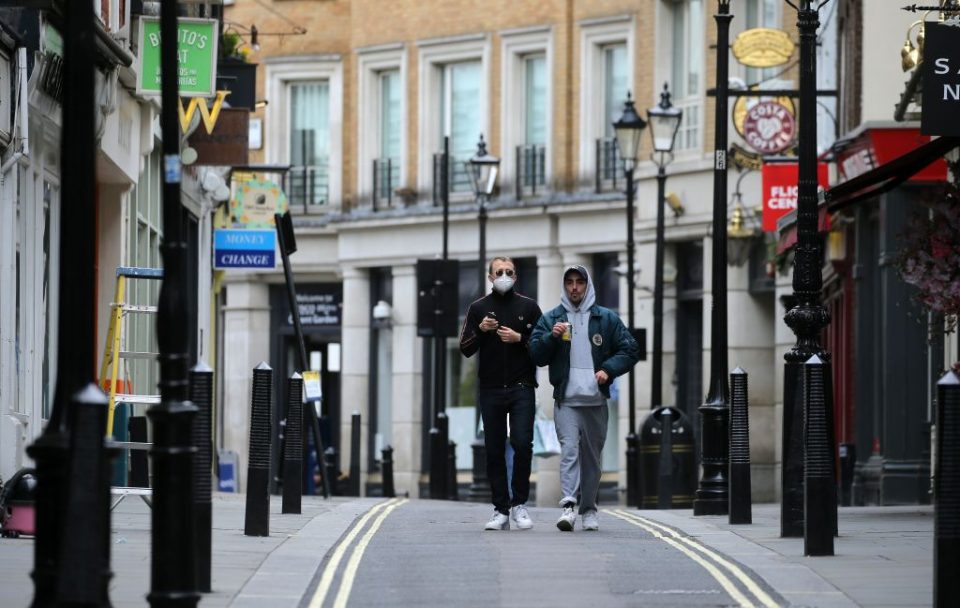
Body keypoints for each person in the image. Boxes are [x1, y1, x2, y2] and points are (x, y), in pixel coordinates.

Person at [529, 264, 639, 532]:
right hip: (566, 400)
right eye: (570, 283)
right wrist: (551, 338)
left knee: (592, 459)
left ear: (588, 285)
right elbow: (535, 354)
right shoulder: (552, 318)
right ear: (564, 286)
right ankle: (568, 507)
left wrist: (608, 370)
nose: (574, 287)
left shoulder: (606, 319)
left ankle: (589, 509)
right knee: (568, 452)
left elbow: (630, 349)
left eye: (580, 282)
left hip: (596, 401)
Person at [460, 256, 542, 531]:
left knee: (522, 443)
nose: (504, 275)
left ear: (516, 276)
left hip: (522, 387)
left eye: (509, 272)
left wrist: (520, 339)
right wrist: (481, 331)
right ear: (490, 277)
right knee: (493, 449)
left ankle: (519, 503)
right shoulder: (478, 308)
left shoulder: (529, 307)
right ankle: (501, 508)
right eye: (499, 272)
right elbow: (465, 347)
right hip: (491, 388)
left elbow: (543, 349)